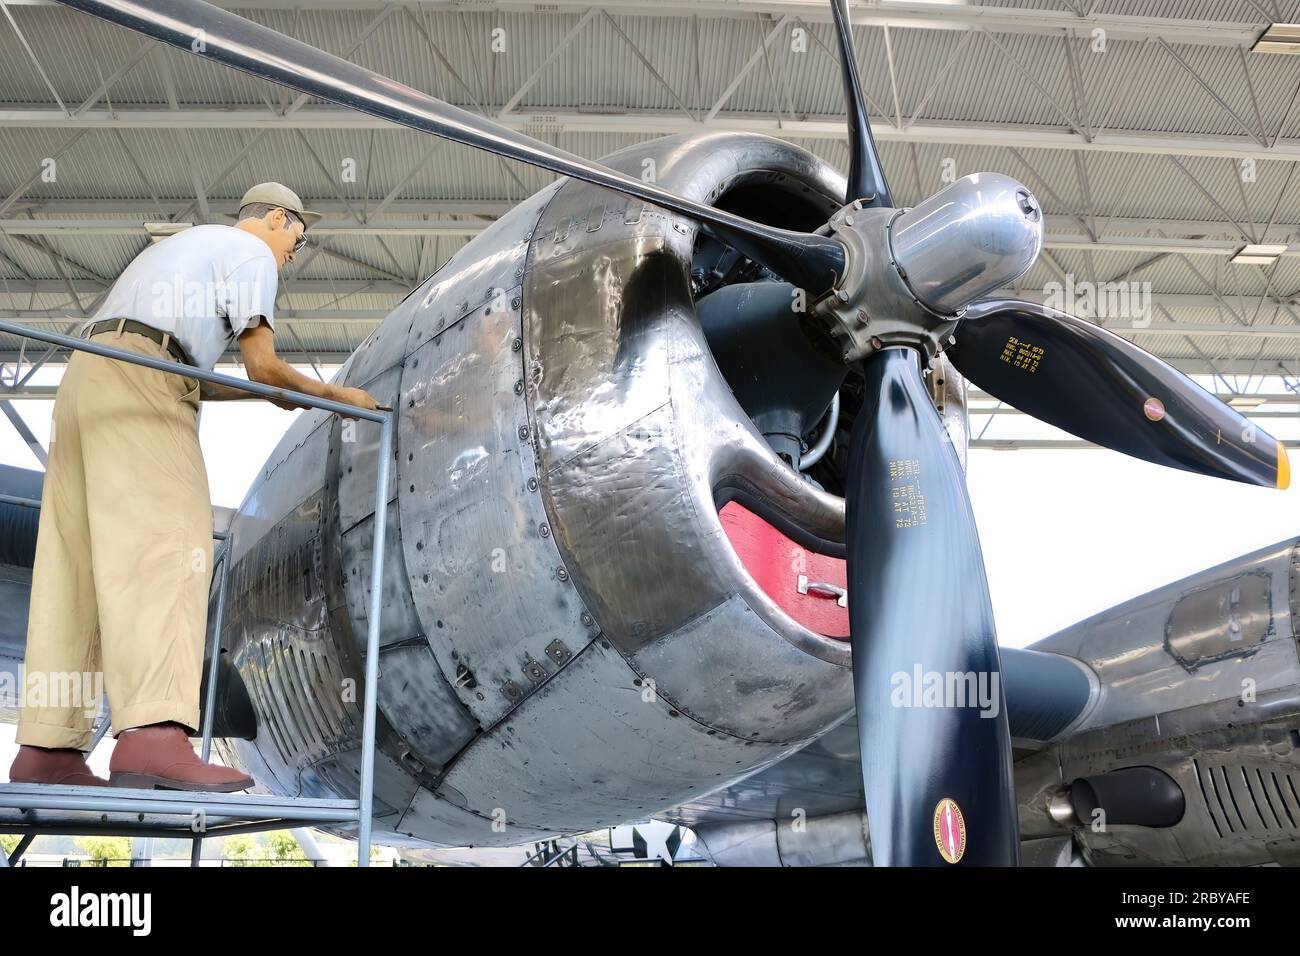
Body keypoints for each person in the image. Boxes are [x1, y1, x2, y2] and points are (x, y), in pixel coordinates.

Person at [8, 182, 378, 791]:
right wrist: (341, 398)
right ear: (278, 219)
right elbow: (263, 364)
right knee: (172, 551)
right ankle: (153, 738)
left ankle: (47, 751)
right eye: (297, 237)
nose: (294, 252)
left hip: (88, 376)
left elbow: (203, 373)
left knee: (71, 572)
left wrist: (275, 391)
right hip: (145, 388)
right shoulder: (252, 254)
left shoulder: (183, 251)